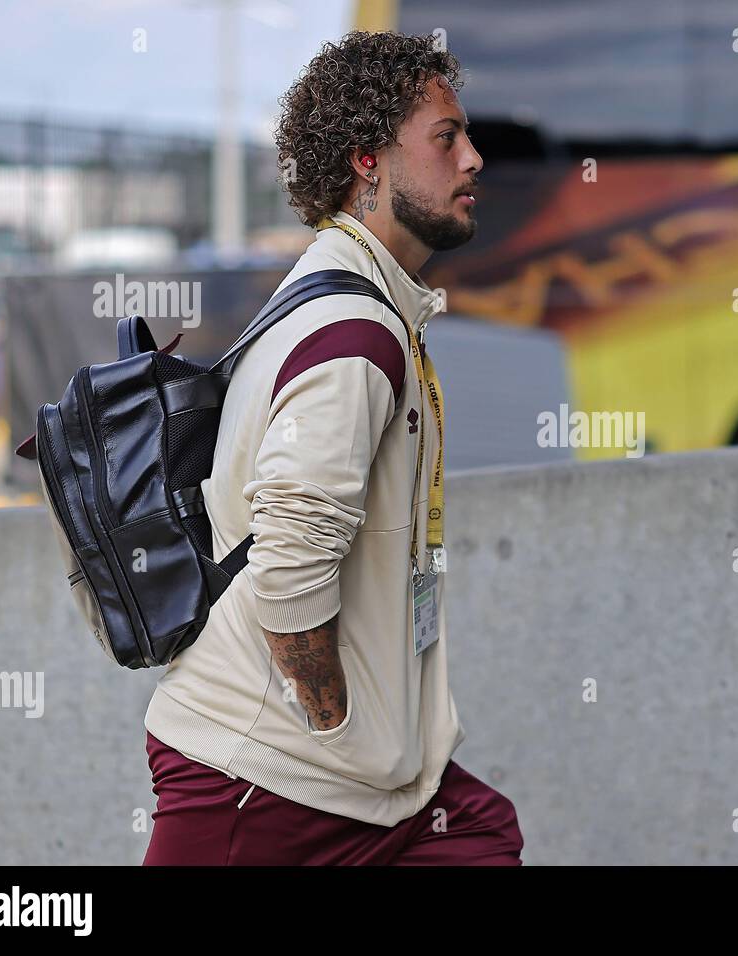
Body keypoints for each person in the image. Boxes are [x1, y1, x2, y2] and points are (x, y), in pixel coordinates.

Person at [141, 31, 522, 865]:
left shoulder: (351, 299)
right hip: (264, 776)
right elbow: (289, 562)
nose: (475, 159)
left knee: (482, 837)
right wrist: (333, 720)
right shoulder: (355, 335)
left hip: (368, 779)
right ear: (367, 161)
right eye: (447, 137)